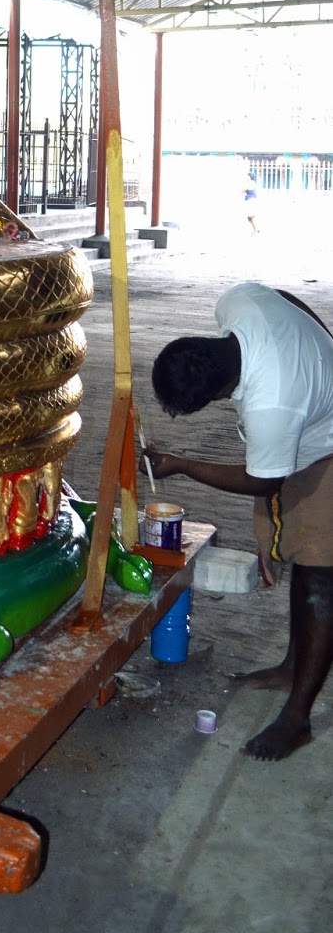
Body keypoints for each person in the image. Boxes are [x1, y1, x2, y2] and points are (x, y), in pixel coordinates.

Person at [150, 280, 333, 762]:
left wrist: (184, 463)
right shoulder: (239, 302)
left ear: (217, 394)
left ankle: (297, 719)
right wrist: (320, 347)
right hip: (309, 430)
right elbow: (286, 299)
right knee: (299, 557)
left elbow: (262, 483)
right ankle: (292, 668)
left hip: (328, 449)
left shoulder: (272, 405)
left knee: (319, 578)